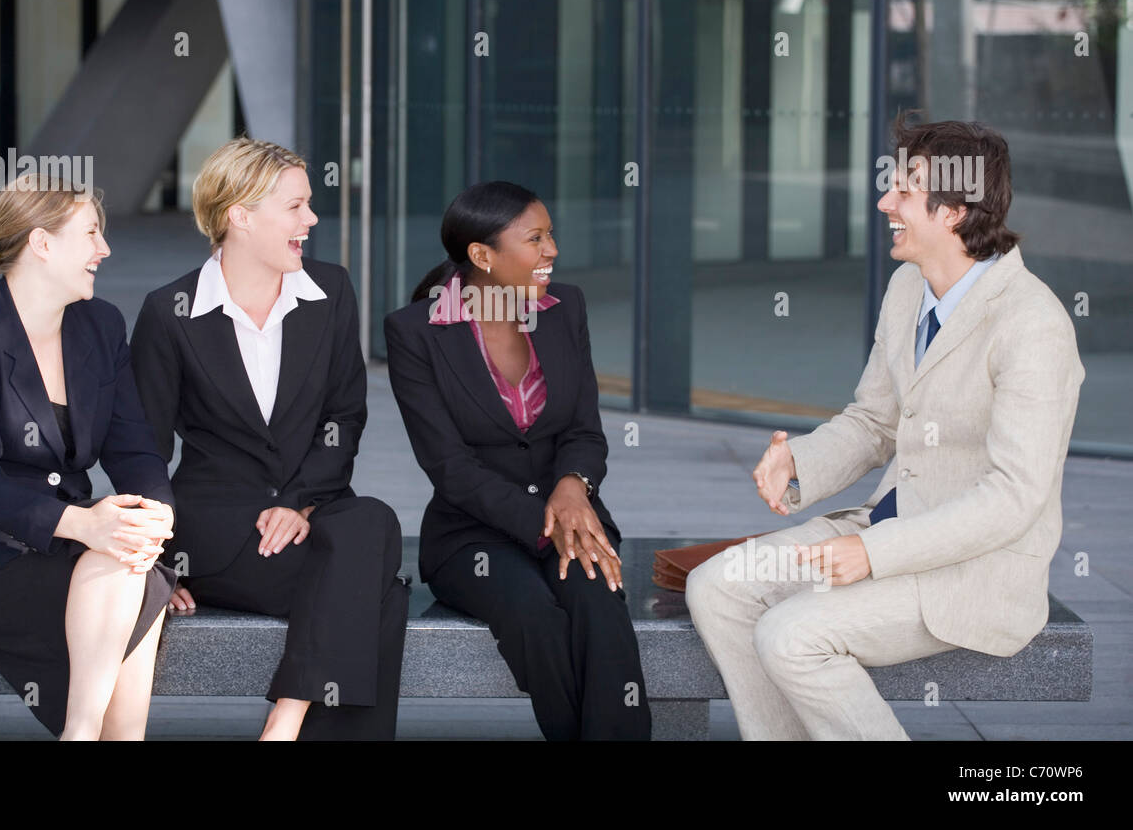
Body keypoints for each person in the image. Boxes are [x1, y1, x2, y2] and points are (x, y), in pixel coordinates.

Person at [685, 114, 1085, 740]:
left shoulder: (1032, 325)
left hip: (974, 573)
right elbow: (875, 421)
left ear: (953, 211)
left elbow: (1015, 498)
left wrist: (872, 555)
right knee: (717, 588)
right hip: (885, 528)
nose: (884, 201)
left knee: (791, 634)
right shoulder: (908, 288)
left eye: (904, 188)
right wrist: (802, 465)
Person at [130, 138, 408, 741]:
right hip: (219, 537)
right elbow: (143, 450)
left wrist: (300, 499)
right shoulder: (168, 312)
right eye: (296, 207)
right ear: (240, 215)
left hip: (315, 515)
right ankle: (289, 718)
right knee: (380, 590)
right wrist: (154, 564)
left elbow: (345, 417)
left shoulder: (330, 292)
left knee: (372, 522)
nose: (311, 221)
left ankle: (287, 716)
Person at [0, 173, 177, 740]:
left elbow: (135, 447)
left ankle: (81, 734)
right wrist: (85, 523)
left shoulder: (101, 325)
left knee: (135, 566)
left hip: (64, 539)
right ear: (42, 243)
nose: (104, 250)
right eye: (92, 234)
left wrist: (157, 516)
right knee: (141, 583)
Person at [384, 181, 652, 740]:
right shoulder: (415, 333)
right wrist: (548, 524)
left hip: (574, 519)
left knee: (600, 611)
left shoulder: (564, 308)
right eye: (535, 238)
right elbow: (449, 467)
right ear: (482, 256)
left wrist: (574, 486)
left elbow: (584, 429)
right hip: (471, 537)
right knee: (533, 615)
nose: (552, 249)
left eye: (550, 234)